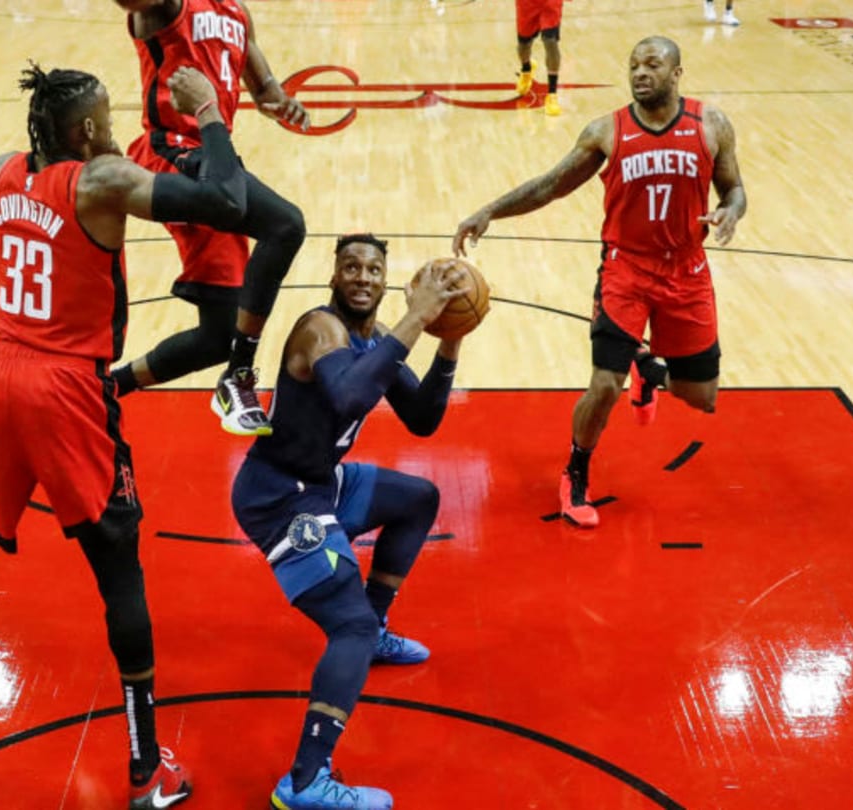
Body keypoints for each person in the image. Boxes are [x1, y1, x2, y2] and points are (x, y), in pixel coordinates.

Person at [0, 61, 255, 810]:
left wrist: (0, 204)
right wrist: (209, 114)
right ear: (84, 132)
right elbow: (227, 200)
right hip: (66, 388)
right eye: (106, 119)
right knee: (121, 573)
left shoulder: (0, 170)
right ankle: (147, 773)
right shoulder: (102, 181)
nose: (114, 131)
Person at [453, 36, 746, 529]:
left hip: (688, 273)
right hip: (626, 271)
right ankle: (576, 471)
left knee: (703, 398)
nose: (640, 73)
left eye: (652, 65)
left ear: (677, 74)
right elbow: (550, 185)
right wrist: (490, 211)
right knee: (604, 384)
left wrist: (731, 212)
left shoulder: (711, 124)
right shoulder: (607, 132)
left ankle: (648, 374)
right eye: (633, 65)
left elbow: (734, 187)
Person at [231, 235, 468, 809]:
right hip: (279, 498)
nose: (363, 277)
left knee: (418, 498)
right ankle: (306, 782)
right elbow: (350, 397)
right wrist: (417, 318)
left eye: (373, 269)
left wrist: (450, 342)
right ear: (334, 277)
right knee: (348, 629)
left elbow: (425, 421)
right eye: (351, 268)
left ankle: (376, 630)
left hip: (321, 483)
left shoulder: (376, 338)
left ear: (386, 279)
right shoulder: (321, 330)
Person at [113, 0, 310, 437]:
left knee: (220, 335)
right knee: (285, 224)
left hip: (214, 158)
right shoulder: (169, 8)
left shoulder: (237, 13)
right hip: (170, 153)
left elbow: (265, 92)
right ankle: (238, 377)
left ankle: (105, 391)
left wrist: (283, 105)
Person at [514, 0, 563, 116]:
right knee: (523, 46)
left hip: (550, 3)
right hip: (527, 4)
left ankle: (552, 94)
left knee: (550, 41)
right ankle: (526, 69)